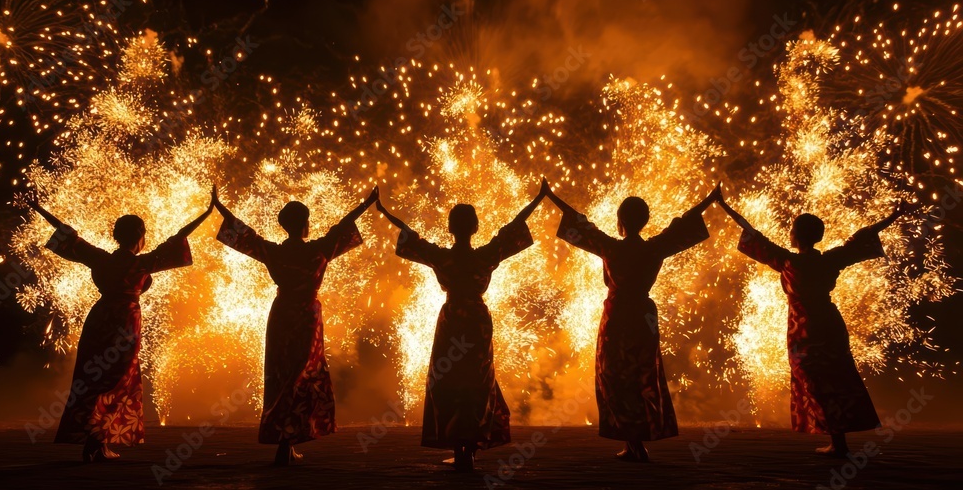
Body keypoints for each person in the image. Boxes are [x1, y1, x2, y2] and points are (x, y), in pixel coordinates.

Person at [29, 188, 213, 462]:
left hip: (99, 319)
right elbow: (178, 238)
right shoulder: (143, 263)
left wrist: (39, 208)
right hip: (125, 324)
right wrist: (207, 212)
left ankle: (95, 440)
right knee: (118, 380)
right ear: (140, 237)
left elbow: (67, 233)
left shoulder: (101, 258)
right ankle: (96, 442)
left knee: (93, 378)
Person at [376, 180, 548, 471]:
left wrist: (383, 210)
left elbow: (409, 235)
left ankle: (459, 450)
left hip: (452, 319)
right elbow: (514, 227)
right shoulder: (485, 256)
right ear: (476, 227)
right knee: (477, 380)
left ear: (450, 228)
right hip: (478, 322)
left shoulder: (442, 257)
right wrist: (539, 198)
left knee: (449, 380)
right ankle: (472, 445)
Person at [718, 191, 906, 456]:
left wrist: (724, 204)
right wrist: (894, 215)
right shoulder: (830, 259)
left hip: (804, 328)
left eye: (793, 229)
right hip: (829, 324)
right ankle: (838, 441)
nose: (790, 232)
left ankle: (838, 443)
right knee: (832, 378)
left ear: (799, 235)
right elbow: (863, 236)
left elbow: (750, 231)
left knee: (814, 382)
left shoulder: (787, 260)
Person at [545, 181, 720, 462]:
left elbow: (581, 223)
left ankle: (634, 443)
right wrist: (709, 200)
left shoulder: (611, 248)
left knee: (615, 378)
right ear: (645, 221)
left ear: (621, 221)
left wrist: (551, 196)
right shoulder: (654, 248)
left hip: (617, 317)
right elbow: (683, 225)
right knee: (642, 376)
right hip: (643, 316)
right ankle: (636, 443)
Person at [213, 185, 377, 466]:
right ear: (305, 225)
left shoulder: (274, 252)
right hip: (307, 318)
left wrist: (219, 206)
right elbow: (343, 227)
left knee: (282, 374)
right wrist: (367, 203)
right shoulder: (318, 250)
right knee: (303, 375)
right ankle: (290, 440)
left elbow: (243, 232)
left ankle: (283, 441)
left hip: (281, 315)